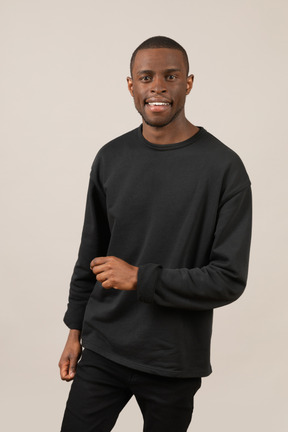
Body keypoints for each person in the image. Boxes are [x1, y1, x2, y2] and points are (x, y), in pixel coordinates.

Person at [58, 36, 252, 432]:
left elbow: (228, 280)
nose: (158, 86)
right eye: (146, 77)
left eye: (171, 76)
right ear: (131, 86)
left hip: (173, 360)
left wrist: (140, 277)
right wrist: (74, 330)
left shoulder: (224, 168)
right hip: (104, 346)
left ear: (189, 83)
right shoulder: (110, 157)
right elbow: (90, 252)